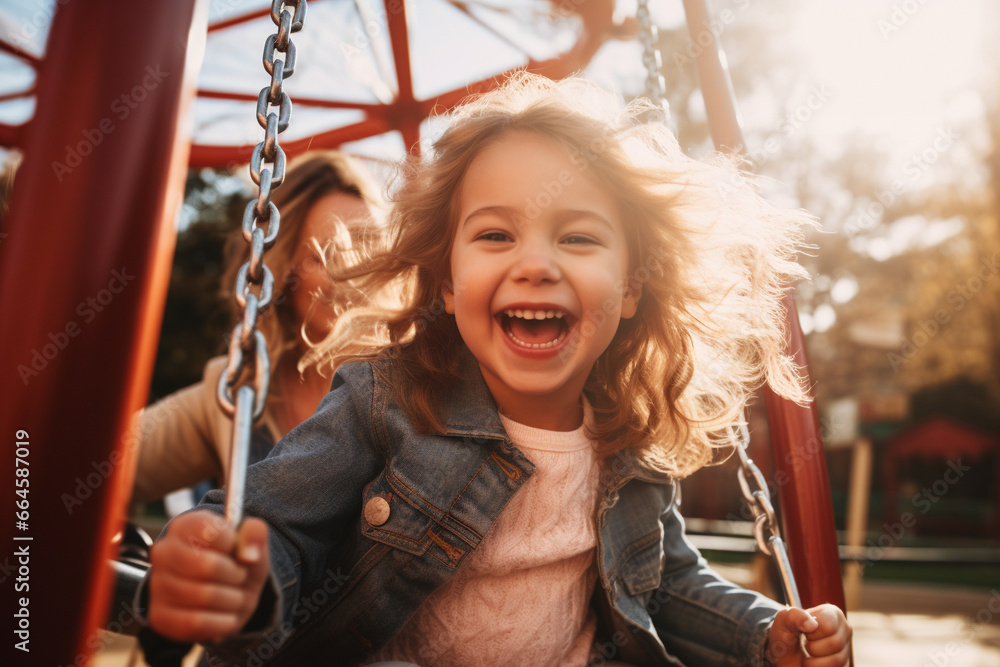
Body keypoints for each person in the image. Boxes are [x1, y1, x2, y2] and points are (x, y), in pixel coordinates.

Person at [139, 74, 853, 666]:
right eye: (495, 234)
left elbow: (664, 581)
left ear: (633, 285)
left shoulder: (627, 436)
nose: (535, 263)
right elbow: (285, 527)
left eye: (578, 237)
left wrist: (762, 634)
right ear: (448, 282)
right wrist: (234, 573)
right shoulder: (386, 400)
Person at [131, 150, 384, 507]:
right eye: (323, 255)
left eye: (367, 246)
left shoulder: (420, 388)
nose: (351, 273)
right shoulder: (233, 391)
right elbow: (87, 468)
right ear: (280, 275)